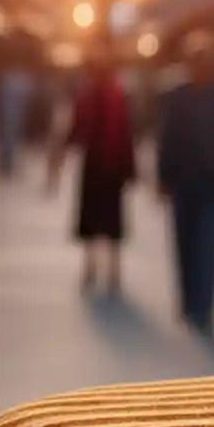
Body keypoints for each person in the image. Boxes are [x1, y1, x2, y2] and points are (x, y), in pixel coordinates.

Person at [158, 30, 214, 332]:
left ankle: (205, 305)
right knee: (184, 244)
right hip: (184, 182)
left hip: (213, 182)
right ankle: (188, 300)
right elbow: (167, 138)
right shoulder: (178, 97)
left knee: (208, 245)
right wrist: (163, 176)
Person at [57, 45, 135, 294]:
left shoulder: (98, 96)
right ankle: (107, 269)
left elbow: (79, 129)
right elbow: (126, 134)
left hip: (102, 164)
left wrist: (62, 151)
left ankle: (98, 268)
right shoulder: (113, 96)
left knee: (100, 219)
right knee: (106, 220)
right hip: (107, 165)